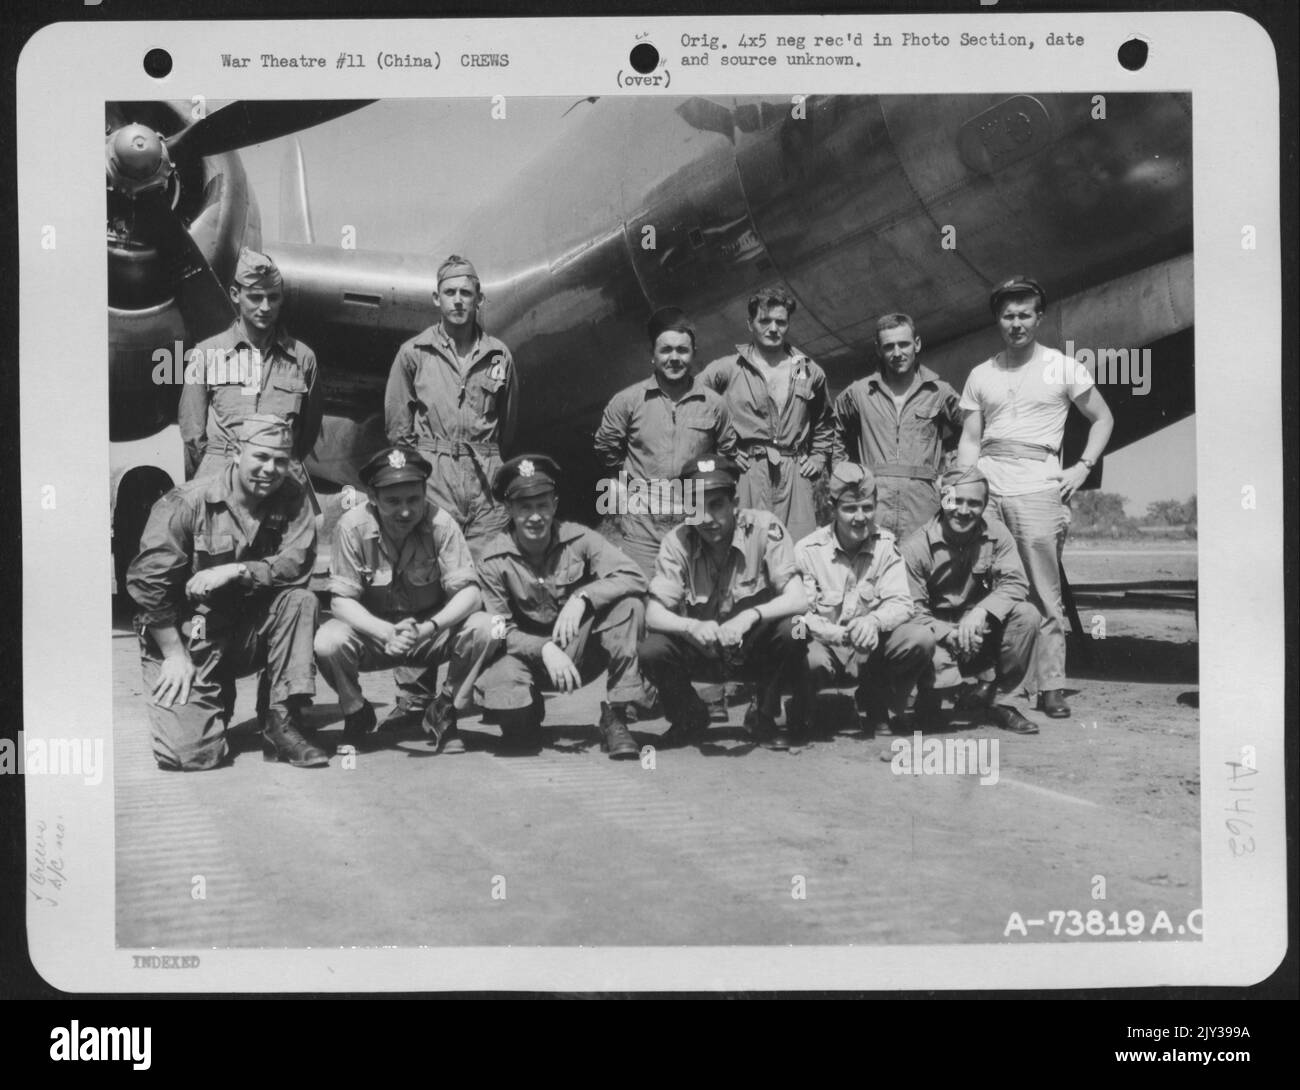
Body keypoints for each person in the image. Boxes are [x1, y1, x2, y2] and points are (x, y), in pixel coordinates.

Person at [126, 414, 327, 771]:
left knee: (300, 600)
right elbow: (148, 585)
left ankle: (280, 720)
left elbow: (297, 566)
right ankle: (214, 693)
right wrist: (173, 653)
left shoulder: (293, 498)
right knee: (192, 755)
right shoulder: (186, 504)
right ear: (236, 452)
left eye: (281, 461)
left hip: (245, 630)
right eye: (261, 457)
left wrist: (237, 570)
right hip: (191, 638)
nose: (270, 469)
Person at [957, 276, 1114, 719]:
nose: (1016, 323)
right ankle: (994, 681)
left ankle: (1051, 686)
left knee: (1044, 593)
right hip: (989, 486)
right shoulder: (980, 374)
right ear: (998, 321)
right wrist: (965, 483)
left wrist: (1082, 466)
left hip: (1039, 486)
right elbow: (971, 439)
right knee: (987, 585)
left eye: (1025, 314)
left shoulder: (1063, 367)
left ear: (1038, 317)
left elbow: (1102, 418)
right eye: (1008, 316)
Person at [313, 446, 498, 754]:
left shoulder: (442, 524)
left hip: (429, 633)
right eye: (393, 501)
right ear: (372, 498)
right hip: (375, 635)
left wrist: (430, 627)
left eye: (414, 499)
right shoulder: (351, 527)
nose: (405, 511)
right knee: (327, 641)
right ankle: (356, 712)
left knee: (488, 627)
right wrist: (385, 632)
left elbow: (469, 593)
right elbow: (340, 602)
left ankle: (444, 709)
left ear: (425, 492)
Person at [474, 455, 648, 758]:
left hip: (580, 653)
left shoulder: (580, 539)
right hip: (522, 657)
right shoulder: (493, 561)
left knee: (629, 605)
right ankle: (527, 711)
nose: (535, 516)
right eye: (525, 507)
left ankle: (617, 715)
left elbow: (634, 576)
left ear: (554, 505)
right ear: (509, 509)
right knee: (518, 735)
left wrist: (583, 597)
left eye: (542, 505)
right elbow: (499, 630)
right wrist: (543, 648)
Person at [639, 456, 809, 750]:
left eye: (716, 504)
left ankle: (764, 712)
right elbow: (653, 613)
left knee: (796, 630)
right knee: (651, 648)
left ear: (735, 502)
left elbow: (799, 598)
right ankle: (688, 716)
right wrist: (690, 625)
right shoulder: (676, 541)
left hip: (752, 647)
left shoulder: (764, 528)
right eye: (696, 507)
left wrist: (752, 616)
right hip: (703, 648)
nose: (707, 518)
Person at [384, 254, 518, 557]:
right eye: (450, 292)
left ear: (479, 299)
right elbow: (397, 430)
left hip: (486, 483)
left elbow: (508, 426)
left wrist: (489, 459)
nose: (458, 301)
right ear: (436, 298)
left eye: (466, 293)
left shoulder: (499, 355)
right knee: (432, 567)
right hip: (434, 479)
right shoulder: (413, 353)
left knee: (489, 569)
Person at [593, 306, 737, 577]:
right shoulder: (628, 401)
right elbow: (606, 447)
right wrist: (628, 485)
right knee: (643, 596)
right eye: (666, 350)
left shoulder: (714, 405)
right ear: (652, 355)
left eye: (682, 350)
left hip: (694, 522)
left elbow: (727, 454)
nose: (674, 358)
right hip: (643, 525)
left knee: (695, 599)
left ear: (693, 354)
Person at [791, 464, 933, 738]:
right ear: (832, 509)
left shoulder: (886, 545)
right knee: (800, 646)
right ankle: (804, 704)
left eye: (867, 508)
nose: (860, 517)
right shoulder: (807, 550)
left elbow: (903, 604)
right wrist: (840, 635)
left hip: (870, 650)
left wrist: (873, 621)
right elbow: (801, 615)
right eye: (849, 509)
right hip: (826, 645)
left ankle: (878, 700)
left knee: (920, 637)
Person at [900, 467, 1042, 735]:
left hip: (978, 631)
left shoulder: (998, 534)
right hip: (937, 635)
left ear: (985, 505)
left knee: (1027, 615)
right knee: (930, 717)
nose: (964, 511)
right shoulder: (916, 547)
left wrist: (981, 612)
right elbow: (912, 611)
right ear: (943, 500)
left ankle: (1005, 702)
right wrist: (950, 633)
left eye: (974, 503)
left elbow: (1016, 582)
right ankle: (931, 695)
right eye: (956, 501)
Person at [698, 287, 833, 543]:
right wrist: (723, 452)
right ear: (750, 324)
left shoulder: (806, 369)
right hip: (745, 471)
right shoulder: (727, 369)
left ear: (788, 324)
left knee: (799, 552)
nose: (773, 328)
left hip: (794, 475)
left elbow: (825, 420)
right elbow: (692, 404)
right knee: (744, 550)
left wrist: (817, 457)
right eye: (765, 321)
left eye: (781, 322)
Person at [178, 248, 323, 485]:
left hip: (277, 478)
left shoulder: (303, 358)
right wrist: (216, 469)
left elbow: (308, 433)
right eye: (255, 298)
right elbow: (192, 432)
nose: (265, 307)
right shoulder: (205, 354)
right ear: (235, 294)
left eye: (273, 297)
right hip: (220, 478)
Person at [831, 312, 963, 540]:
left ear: (917, 344)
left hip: (923, 502)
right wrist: (846, 477)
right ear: (878, 349)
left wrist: (950, 473)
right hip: (873, 500)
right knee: (871, 567)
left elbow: (972, 431)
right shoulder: (858, 393)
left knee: (921, 565)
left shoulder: (939, 392)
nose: (897, 353)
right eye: (889, 346)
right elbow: (834, 434)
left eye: (904, 344)